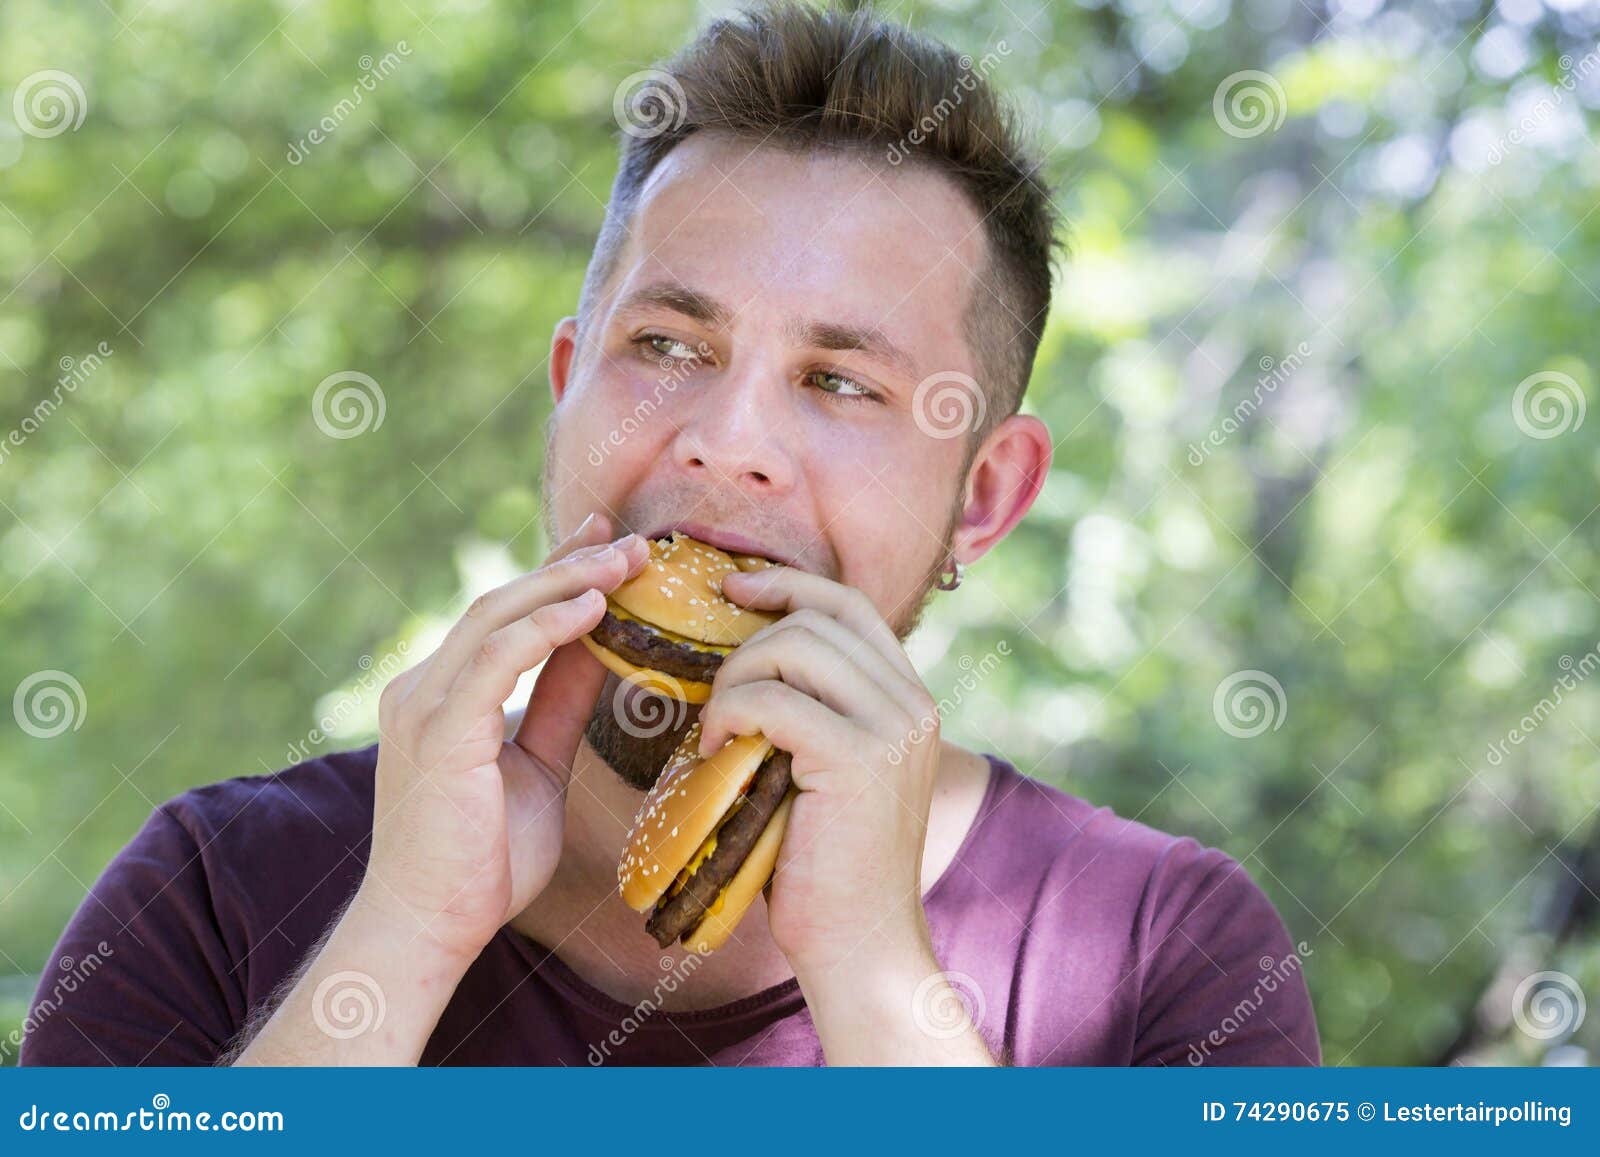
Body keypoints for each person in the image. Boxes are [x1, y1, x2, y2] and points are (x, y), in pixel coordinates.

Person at [20, 2, 1318, 1067]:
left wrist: (871, 975)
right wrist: (407, 931)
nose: (724, 439)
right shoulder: (217, 894)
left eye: (841, 381)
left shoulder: (1165, 956)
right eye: (666, 346)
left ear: (983, 495)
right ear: (567, 390)